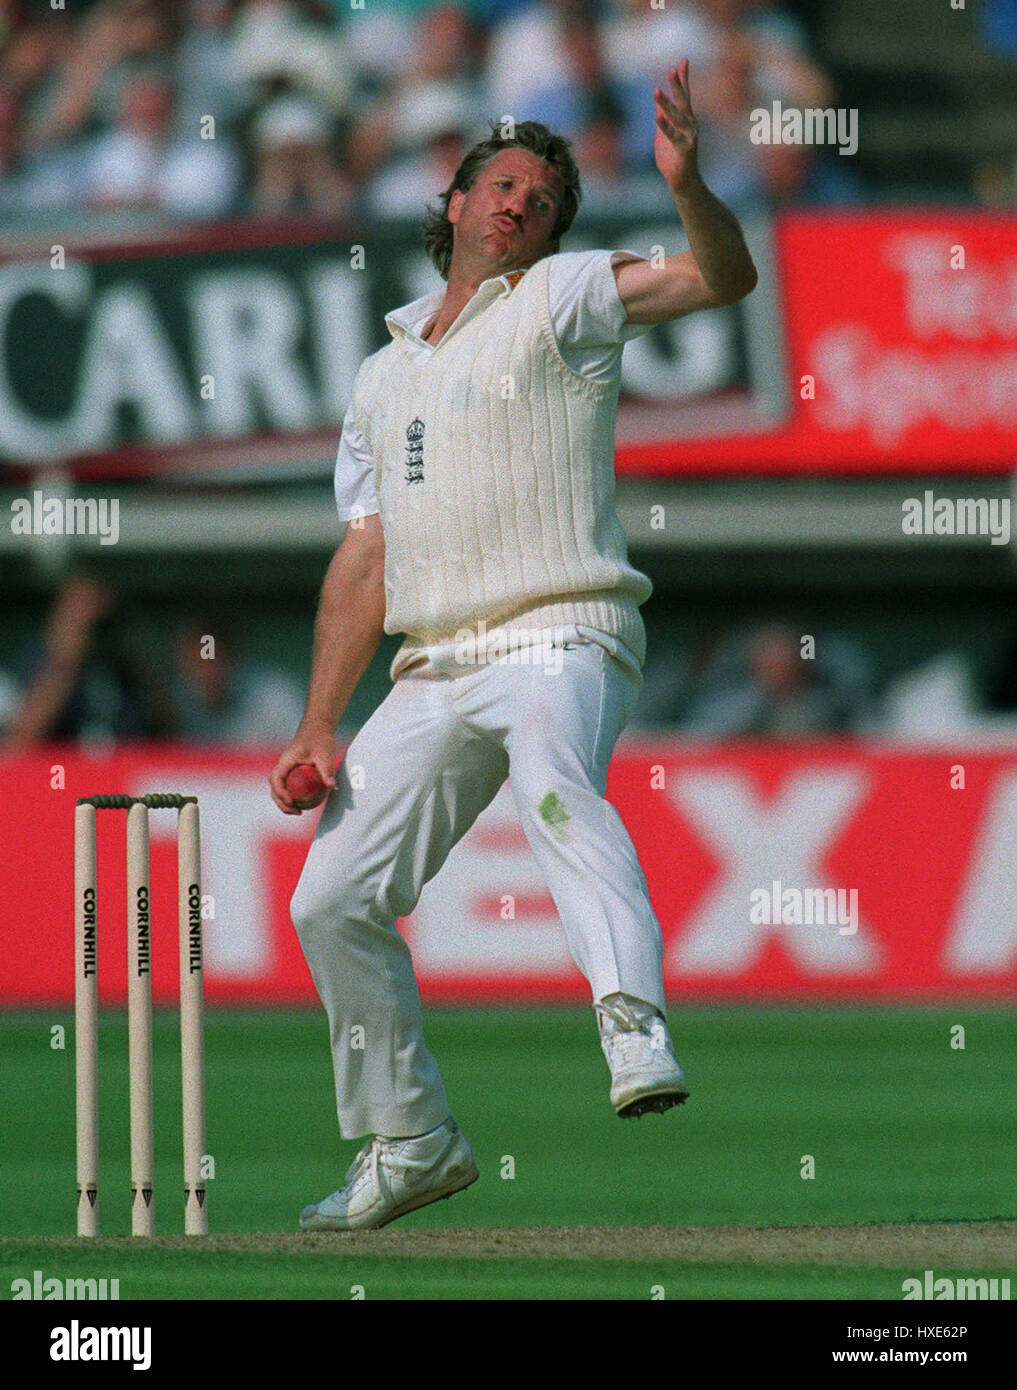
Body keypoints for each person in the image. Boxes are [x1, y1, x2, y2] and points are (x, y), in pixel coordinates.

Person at [270, 63, 757, 1232]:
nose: (515, 205)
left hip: (564, 626)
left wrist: (689, 186)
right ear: (450, 204)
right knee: (329, 899)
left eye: (538, 197)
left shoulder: (565, 296)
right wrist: (318, 725)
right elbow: (363, 562)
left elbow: (723, 276)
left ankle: (631, 1018)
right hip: (434, 663)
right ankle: (411, 1139)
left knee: (554, 780)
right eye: (497, 184)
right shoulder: (383, 376)